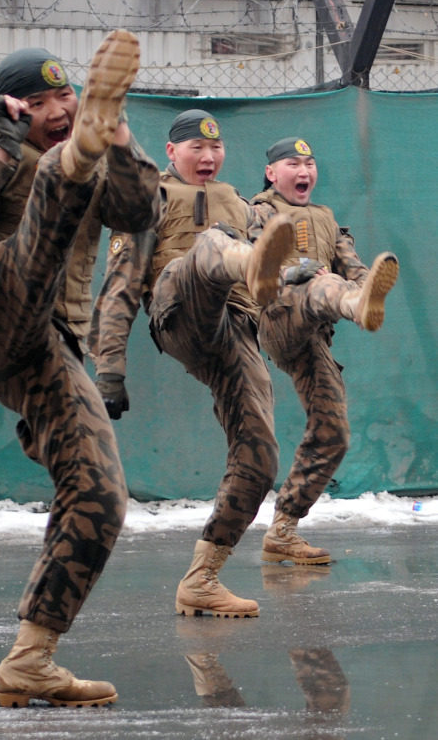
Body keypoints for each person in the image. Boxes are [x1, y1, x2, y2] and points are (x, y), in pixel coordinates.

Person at [0, 30, 159, 708]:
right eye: (44, 100)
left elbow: (139, 212)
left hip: (50, 347)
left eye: (68, 95)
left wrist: (118, 139)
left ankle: (31, 659)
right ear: (13, 105)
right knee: (58, 179)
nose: (60, 107)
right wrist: (0, 148)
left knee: (102, 493)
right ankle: (69, 160)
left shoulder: (95, 145)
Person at [90, 108, 295, 619]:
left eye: (216, 148)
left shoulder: (241, 204)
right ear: (171, 153)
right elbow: (117, 288)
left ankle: (202, 577)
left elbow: (283, 268)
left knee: (261, 457)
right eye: (195, 148)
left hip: (235, 329)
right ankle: (243, 260)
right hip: (179, 311)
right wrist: (109, 369)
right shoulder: (150, 200)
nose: (208, 157)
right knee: (208, 246)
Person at [248, 137, 399, 565]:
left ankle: (283, 529)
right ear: (272, 173)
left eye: (310, 163)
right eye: (293, 163)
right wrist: (292, 272)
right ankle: (352, 303)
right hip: (277, 318)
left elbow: (354, 267)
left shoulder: (327, 219)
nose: (304, 170)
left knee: (334, 432)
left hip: (313, 333)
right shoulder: (257, 211)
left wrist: (368, 283)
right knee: (318, 282)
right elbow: (247, 260)